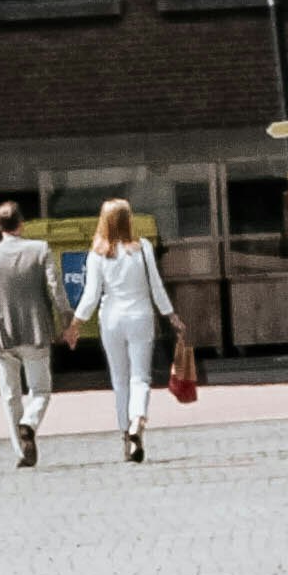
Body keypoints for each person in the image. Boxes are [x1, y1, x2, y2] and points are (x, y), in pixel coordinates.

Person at [80, 197, 177, 462]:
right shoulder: (143, 248)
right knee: (140, 378)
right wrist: (171, 316)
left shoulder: (98, 253)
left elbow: (90, 295)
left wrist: (75, 324)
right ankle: (137, 422)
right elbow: (156, 287)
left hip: (110, 319)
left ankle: (126, 437)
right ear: (128, 219)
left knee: (119, 381)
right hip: (140, 317)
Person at [0, 200, 67, 466]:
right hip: (36, 330)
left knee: (10, 394)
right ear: (21, 223)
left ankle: (21, 450)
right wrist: (68, 321)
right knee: (41, 390)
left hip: (3, 336)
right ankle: (30, 423)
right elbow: (55, 289)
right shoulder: (40, 250)